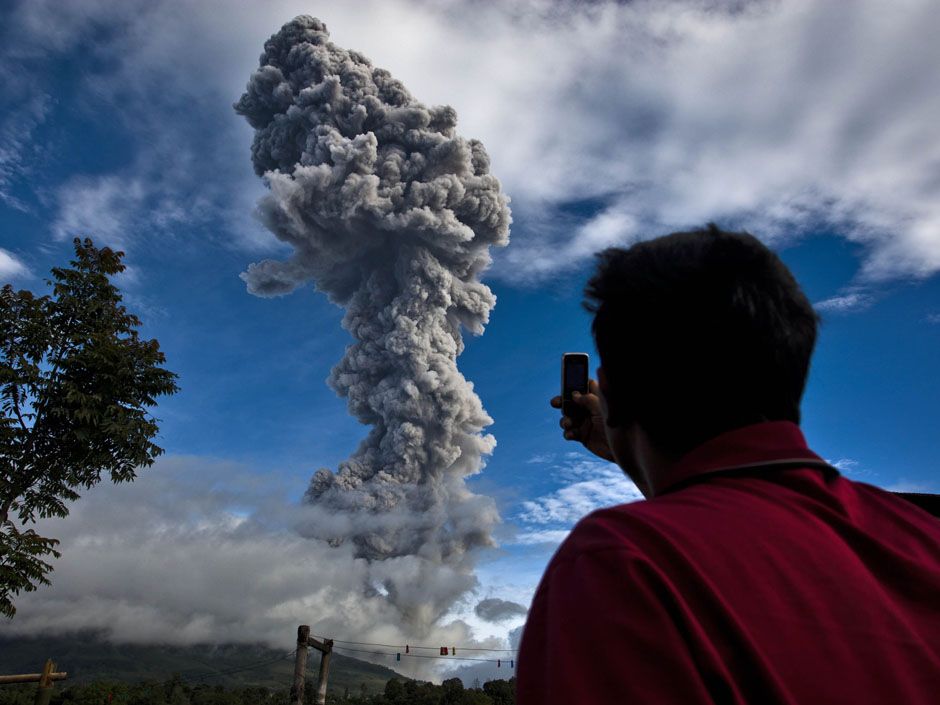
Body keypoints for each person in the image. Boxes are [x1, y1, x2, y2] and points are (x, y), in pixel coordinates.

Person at [516, 225, 940, 704]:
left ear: (611, 392)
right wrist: (628, 449)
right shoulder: (921, 538)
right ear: (792, 367)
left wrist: (630, 441)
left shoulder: (619, 566)